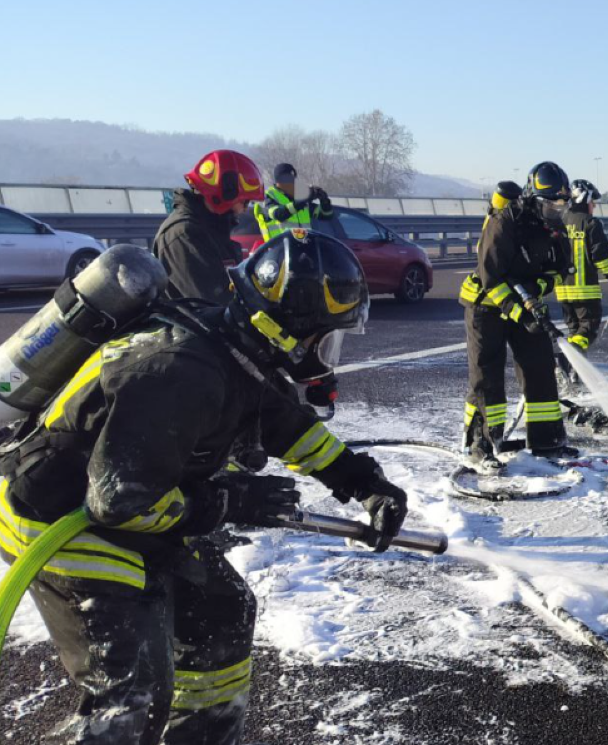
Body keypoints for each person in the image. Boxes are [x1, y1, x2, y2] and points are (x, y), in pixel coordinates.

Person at [0, 230, 406, 744]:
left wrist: (363, 482)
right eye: (325, 335)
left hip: (136, 506)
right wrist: (226, 501)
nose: (325, 351)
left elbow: (285, 424)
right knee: (132, 697)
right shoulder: (182, 372)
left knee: (222, 611)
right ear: (287, 328)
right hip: (64, 524)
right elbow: (118, 501)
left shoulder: (235, 349)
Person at [458, 163, 573, 472]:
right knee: (487, 375)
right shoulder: (504, 222)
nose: (556, 210)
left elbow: (561, 271)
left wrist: (537, 288)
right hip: (486, 304)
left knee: (540, 367)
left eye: (561, 204)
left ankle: (548, 440)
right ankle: (480, 444)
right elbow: (490, 277)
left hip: (526, 303)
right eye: (549, 203)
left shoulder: (553, 226)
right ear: (532, 198)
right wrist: (517, 310)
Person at [152, 150, 264, 303]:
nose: (245, 209)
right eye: (245, 201)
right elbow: (212, 301)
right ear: (225, 193)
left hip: (224, 325)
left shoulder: (213, 230)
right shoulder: (183, 234)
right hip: (192, 326)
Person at [554, 179, 608, 387]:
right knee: (587, 330)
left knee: (575, 331)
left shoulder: (561, 221)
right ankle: (565, 359)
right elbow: (601, 258)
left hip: (563, 291)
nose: (593, 206)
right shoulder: (591, 223)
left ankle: (576, 375)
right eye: (592, 201)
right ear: (584, 198)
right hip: (585, 291)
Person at [252, 163, 334, 245]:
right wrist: (302, 201)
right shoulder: (268, 196)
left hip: (303, 247)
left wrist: (324, 201)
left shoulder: (297, 196)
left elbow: (326, 216)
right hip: (279, 249)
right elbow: (278, 214)